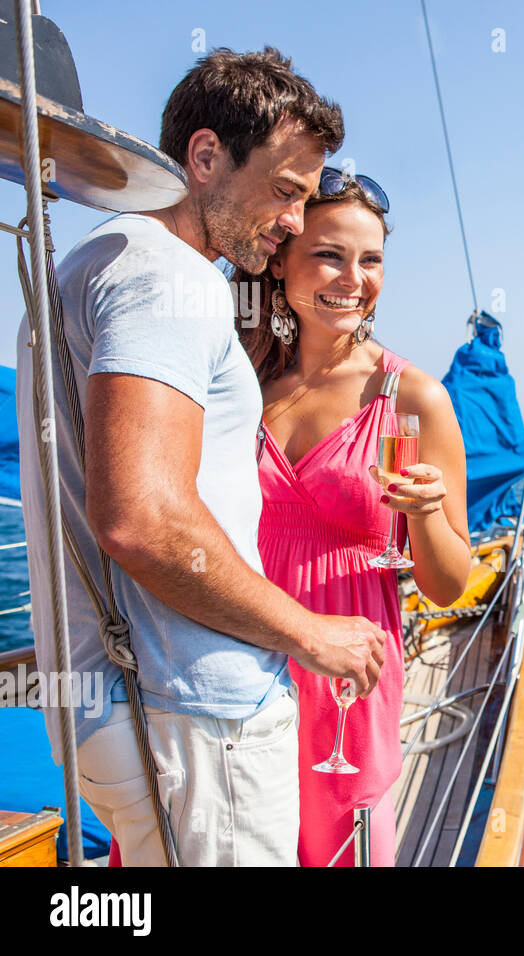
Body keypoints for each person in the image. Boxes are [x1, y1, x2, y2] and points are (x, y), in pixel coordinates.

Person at [16, 48, 389, 867]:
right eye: (285, 191)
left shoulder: (97, 260)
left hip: (128, 708)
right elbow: (142, 517)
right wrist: (309, 634)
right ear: (207, 156)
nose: (296, 221)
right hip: (195, 715)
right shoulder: (171, 282)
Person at [233, 169, 472, 866]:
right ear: (280, 261)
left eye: (371, 260)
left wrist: (426, 514)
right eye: (330, 255)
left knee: (340, 850)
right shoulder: (243, 383)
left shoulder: (411, 396)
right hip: (246, 657)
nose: (353, 278)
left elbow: (449, 585)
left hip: (347, 682)